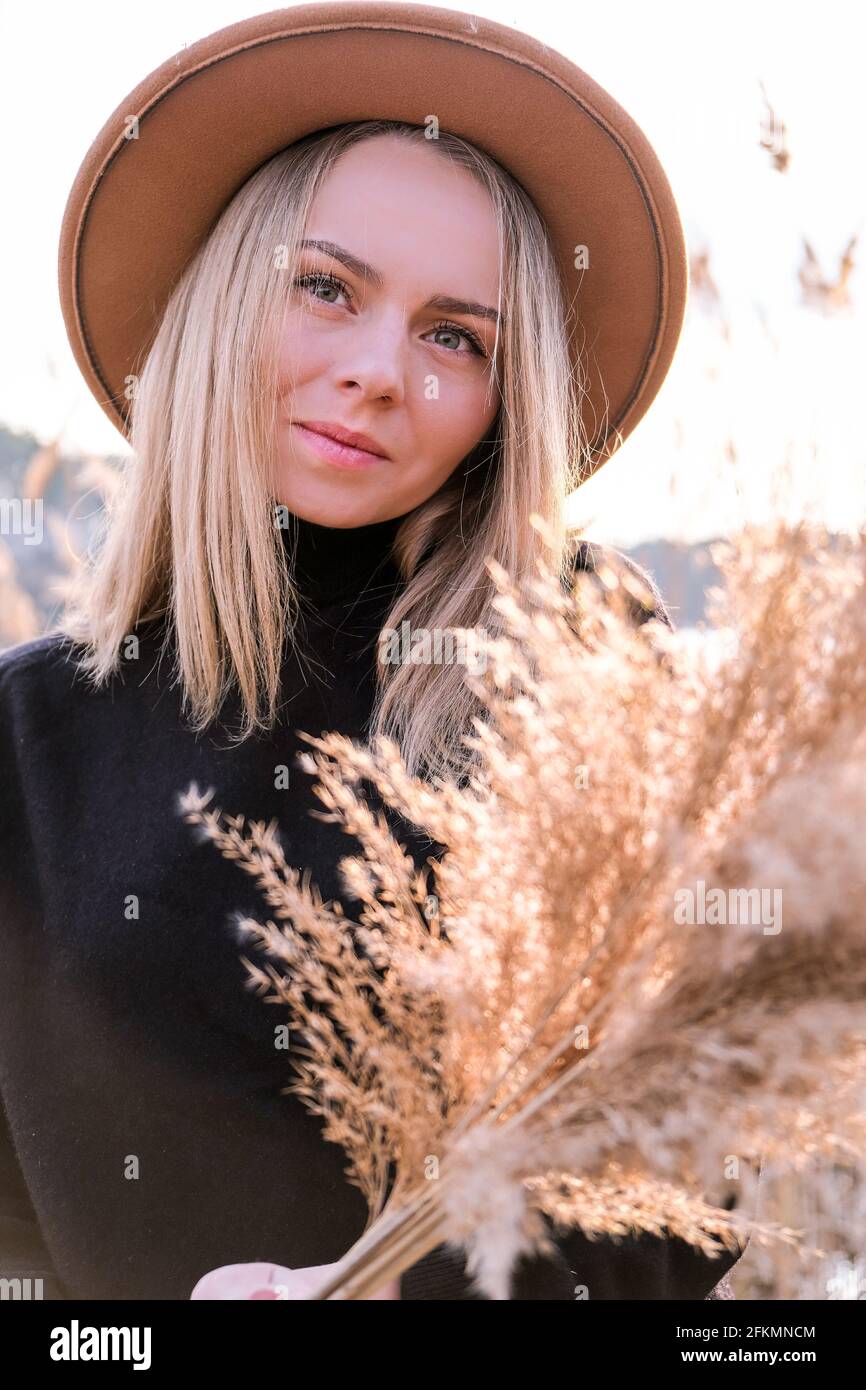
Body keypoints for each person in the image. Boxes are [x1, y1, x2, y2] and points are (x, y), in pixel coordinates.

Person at [0, 4, 746, 1300]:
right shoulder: (30, 735)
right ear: (224, 297)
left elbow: (690, 1166)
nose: (378, 371)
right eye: (325, 286)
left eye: (455, 335)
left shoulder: (576, 676)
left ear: (503, 403)